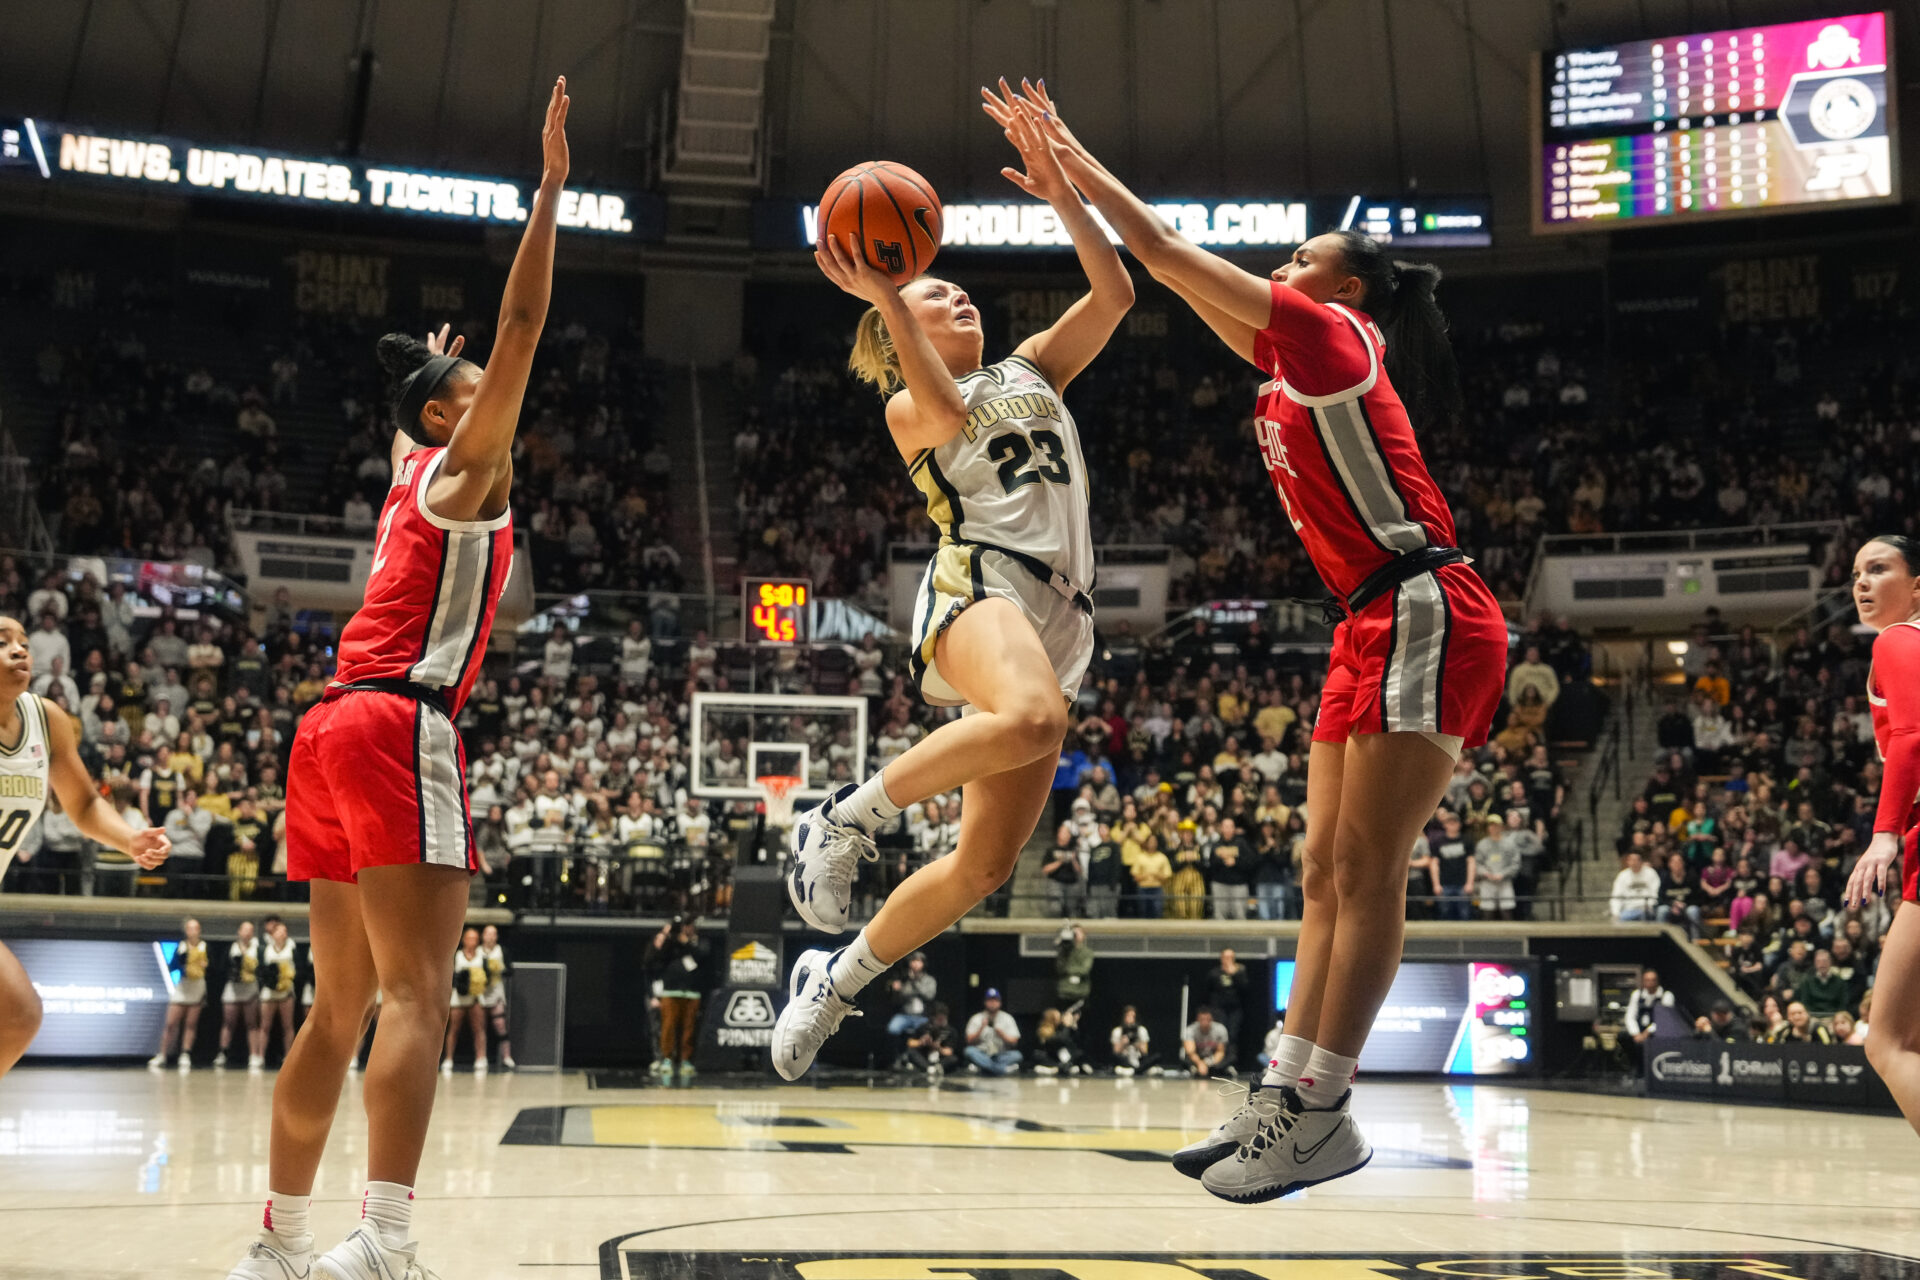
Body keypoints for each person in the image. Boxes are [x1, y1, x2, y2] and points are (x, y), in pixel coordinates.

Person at [1019, 81, 1509, 1198]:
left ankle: (1327, 1105)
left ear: (1347, 287)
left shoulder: (1334, 336)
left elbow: (1162, 242)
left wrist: (1073, 154)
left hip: (1427, 603)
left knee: (1368, 867)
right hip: (1367, 618)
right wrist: (1065, 200)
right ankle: (1287, 1094)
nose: (1281, 271)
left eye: (1297, 258)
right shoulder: (1287, 359)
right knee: (1321, 867)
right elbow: (1155, 268)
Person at [225, 80, 570, 1280]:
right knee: (421, 994)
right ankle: (388, 1239)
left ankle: (278, 1241)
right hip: (394, 722)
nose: (501, 405)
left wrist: (433, 370)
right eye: (469, 398)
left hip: (321, 731)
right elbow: (523, 329)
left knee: (338, 1008)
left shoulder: (404, 474)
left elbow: (411, 416)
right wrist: (550, 195)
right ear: (444, 417)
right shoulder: (463, 476)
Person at [771, 84, 1134, 1080]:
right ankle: (841, 815)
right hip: (983, 586)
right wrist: (891, 292)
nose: (955, 293)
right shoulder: (904, 404)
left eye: (956, 288)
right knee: (1033, 719)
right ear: (896, 333)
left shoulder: (1031, 371)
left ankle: (833, 982)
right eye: (937, 294)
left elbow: (1116, 296)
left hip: (1063, 613)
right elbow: (931, 395)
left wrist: (1063, 189)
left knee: (984, 867)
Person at [0, 618, 170, 1080]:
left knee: (19, 1015)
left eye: (22, 643)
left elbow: (84, 802)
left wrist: (129, 839)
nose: (19, 651)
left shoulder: (46, 719)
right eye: (2, 643)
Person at [1842, 534, 1920, 1137]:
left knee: (1886, 1043)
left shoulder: (1898, 639)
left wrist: (1884, 835)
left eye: (1878, 569)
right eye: (1855, 574)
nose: (1861, 583)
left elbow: (1912, 737)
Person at [646, 915, 705, 1081]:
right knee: (668, 1026)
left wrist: (686, 942)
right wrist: (670, 937)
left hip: (691, 992)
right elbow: (658, 958)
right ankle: (667, 1059)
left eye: (689, 926)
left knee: (688, 1029)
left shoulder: (698, 942)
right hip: (671, 992)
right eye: (683, 926)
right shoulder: (671, 945)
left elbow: (701, 956)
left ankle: (686, 1060)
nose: (686, 929)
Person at [151, 916, 208, 1070]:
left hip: (197, 987)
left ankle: (185, 1053)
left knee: (190, 1024)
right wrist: (180, 961)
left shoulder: (204, 947)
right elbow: (171, 967)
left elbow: (213, 967)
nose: (193, 931)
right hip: (183, 987)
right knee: (170, 1023)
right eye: (190, 928)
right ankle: (162, 1054)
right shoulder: (181, 946)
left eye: (195, 928)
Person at [216, 920, 265, 1070]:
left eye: (250, 930)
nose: (247, 933)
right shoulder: (232, 948)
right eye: (245, 930)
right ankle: (223, 1053)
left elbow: (262, 968)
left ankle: (254, 1055)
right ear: (239, 931)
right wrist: (233, 971)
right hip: (233, 988)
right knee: (228, 1022)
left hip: (250, 988)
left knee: (252, 1023)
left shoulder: (258, 949)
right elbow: (220, 967)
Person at [443, 927, 488, 1073]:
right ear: (463, 940)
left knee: (479, 1027)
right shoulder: (457, 956)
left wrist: (477, 982)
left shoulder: (482, 957)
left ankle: (481, 1058)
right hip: (459, 997)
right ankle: (448, 1059)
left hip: (475, 997)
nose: (472, 941)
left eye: (475, 938)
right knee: (453, 1028)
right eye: (469, 938)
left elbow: (487, 977)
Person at [259, 916, 300, 1065]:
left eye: (285, 931)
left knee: (287, 1025)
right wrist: (270, 980)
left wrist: (288, 979)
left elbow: (297, 968)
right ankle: (259, 1056)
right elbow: (261, 970)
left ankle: (288, 1056)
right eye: (279, 931)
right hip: (269, 992)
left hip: (286, 992)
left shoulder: (291, 947)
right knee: (265, 1025)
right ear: (273, 934)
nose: (282, 934)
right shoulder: (265, 949)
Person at [477, 924, 515, 1071]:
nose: (490, 937)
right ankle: (481, 1057)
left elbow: (510, 971)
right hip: (480, 993)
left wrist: (499, 969)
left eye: (494, 934)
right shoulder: (478, 951)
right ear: (483, 936)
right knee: (479, 1027)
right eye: (488, 933)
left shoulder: (501, 951)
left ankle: (506, 1056)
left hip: (496, 992)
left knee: (500, 1025)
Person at [964, 988, 1023, 1076]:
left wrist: (1001, 1034)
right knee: (969, 1051)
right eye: (990, 1000)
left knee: (1017, 1055)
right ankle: (1001, 1069)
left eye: (995, 1000)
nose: (992, 1003)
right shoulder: (976, 1018)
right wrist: (981, 1029)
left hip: (1000, 1055)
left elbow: (1014, 1042)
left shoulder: (1007, 1018)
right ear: (985, 1002)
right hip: (982, 1054)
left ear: (1000, 1003)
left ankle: (983, 1068)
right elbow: (969, 1041)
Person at [904, 1002, 960, 1078]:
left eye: (943, 1019)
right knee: (911, 1052)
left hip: (940, 1059)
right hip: (924, 1058)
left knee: (953, 1059)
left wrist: (938, 1047)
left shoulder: (951, 1031)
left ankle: (936, 1068)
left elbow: (949, 1052)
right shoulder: (924, 1027)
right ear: (933, 1018)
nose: (941, 1021)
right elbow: (910, 1042)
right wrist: (921, 1042)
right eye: (938, 1019)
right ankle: (929, 1068)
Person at [1610, 851, 1661, 922]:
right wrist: (1615, 913)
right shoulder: (1622, 876)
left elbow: (1655, 893)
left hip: (1647, 908)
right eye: (1631, 860)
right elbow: (1616, 896)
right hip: (1629, 909)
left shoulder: (1651, 873)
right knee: (1621, 918)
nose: (1634, 863)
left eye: (1636, 860)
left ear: (1641, 861)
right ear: (1628, 862)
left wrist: (1649, 905)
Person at [1182, 1007, 1231, 1079]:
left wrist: (1208, 1063)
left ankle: (1224, 1070)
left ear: (1212, 1019)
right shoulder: (1190, 1030)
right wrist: (1199, 1063)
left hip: (1213, 1058)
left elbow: (1220, 1051)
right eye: (1202, 1019)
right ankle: (1193, 1070)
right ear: (1198, 1019)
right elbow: (1191, 1052)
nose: (1205, 1022)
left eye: (1208, 1019)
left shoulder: (1220, 1029)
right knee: (1186, 1060)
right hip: (1197, 1058)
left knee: (1228, 1059)